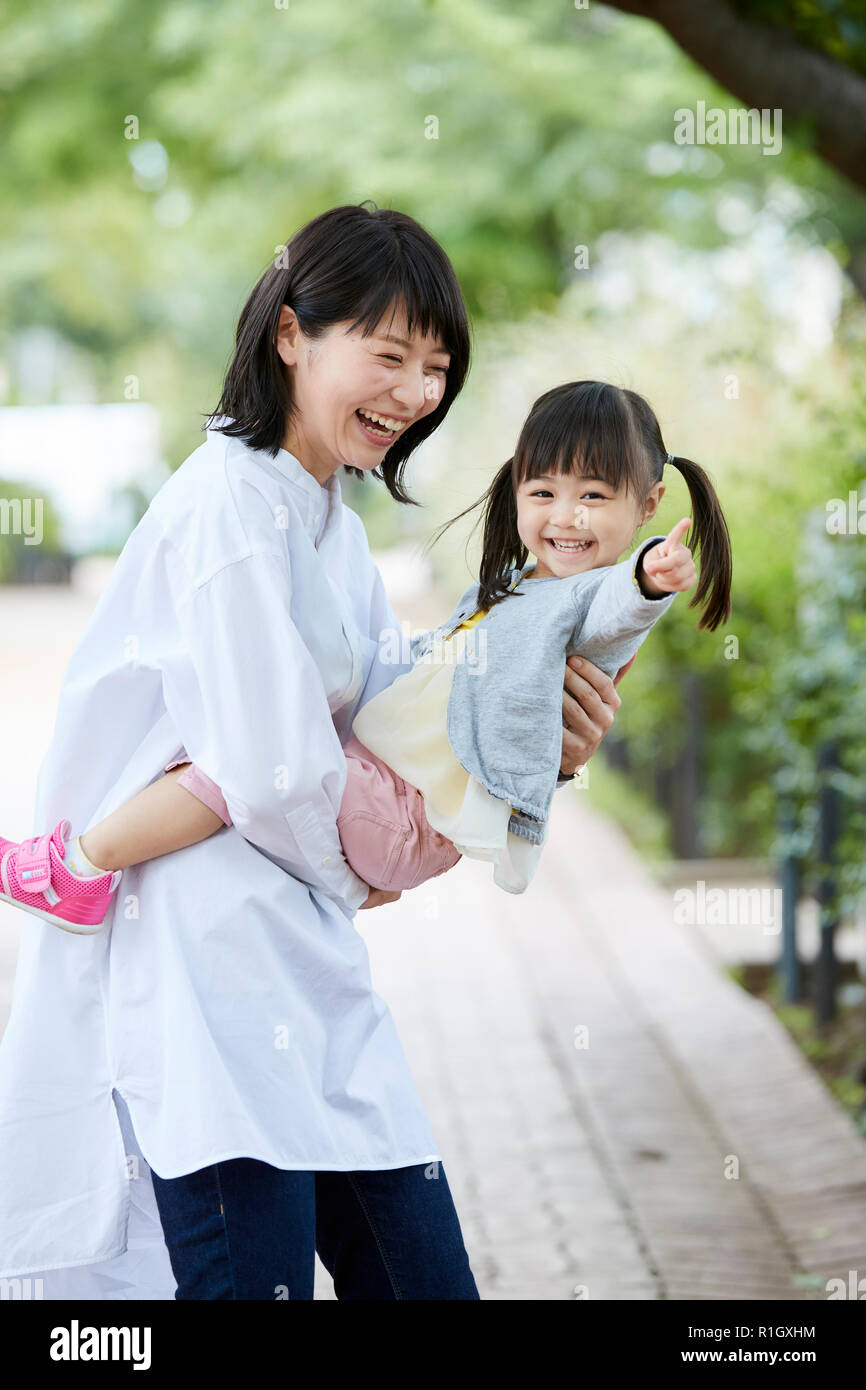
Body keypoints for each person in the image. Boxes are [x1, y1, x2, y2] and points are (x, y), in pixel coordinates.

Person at [0, 205, 622, 1300]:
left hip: (305, 969)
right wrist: (362, 878)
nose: (416, 391)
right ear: (290, 334)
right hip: (206, 973)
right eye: (388, 355)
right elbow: (280, 768)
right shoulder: (229, 508)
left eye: (434, 365)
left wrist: (540, 736)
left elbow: (386, 713)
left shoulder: (325, 511)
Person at [0, 384, 732, 916]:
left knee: (236, 764)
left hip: (401, 813)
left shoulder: (592, 596)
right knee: (256, 758)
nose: (564, 517)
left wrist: (647, 575)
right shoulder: (519, 589)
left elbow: (616, 611)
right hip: (398, 806)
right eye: (543, 492)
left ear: (647, 505)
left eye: (595, 498)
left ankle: (78, 867)